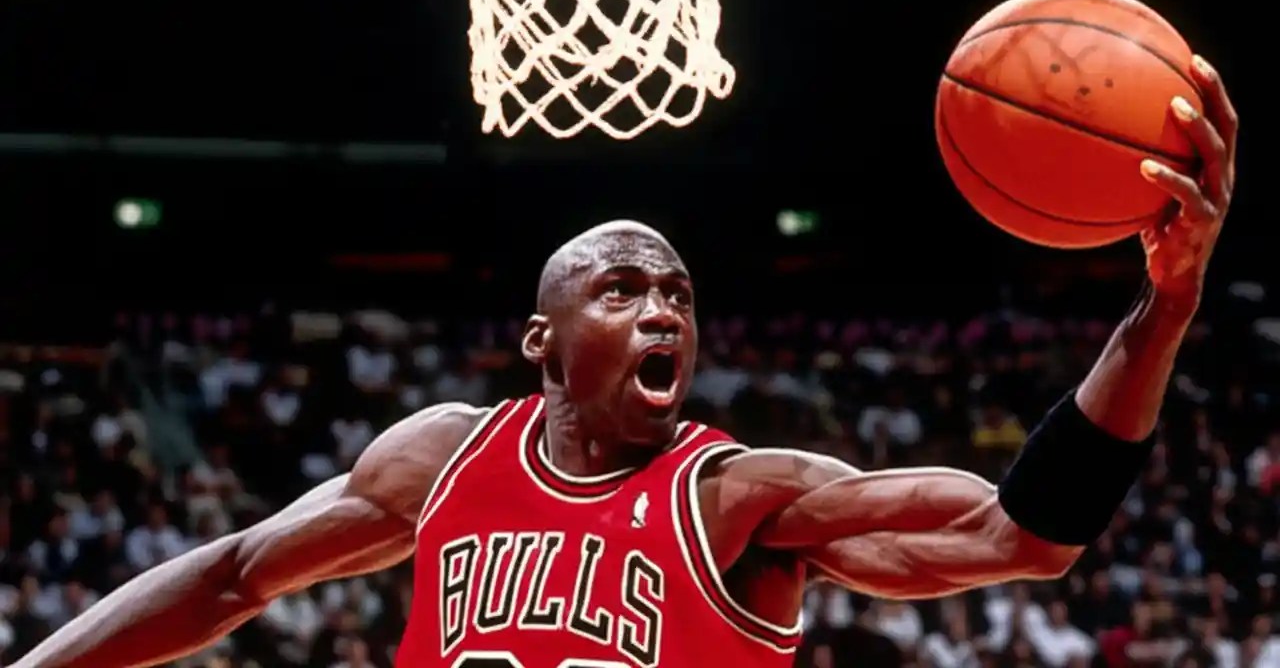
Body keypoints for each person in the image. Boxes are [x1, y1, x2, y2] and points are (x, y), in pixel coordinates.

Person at [14, 57, 1237, 668]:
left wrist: (1163, 304)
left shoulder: (745, 499)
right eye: (622, 290)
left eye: (677, 296)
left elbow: (1020, 533)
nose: (662, 312)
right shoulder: (440, 460)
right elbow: (231, 576)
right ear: (540, 343)